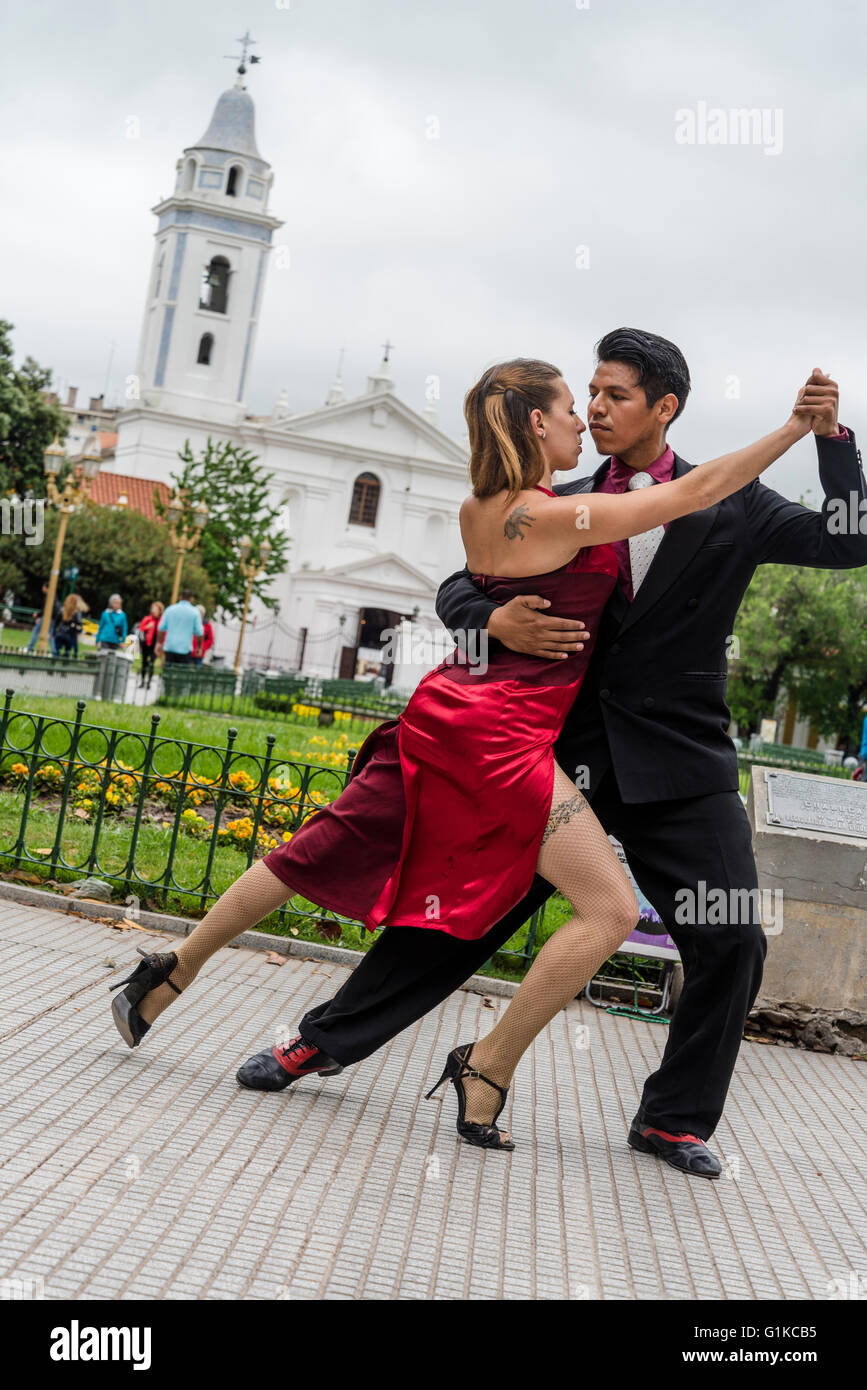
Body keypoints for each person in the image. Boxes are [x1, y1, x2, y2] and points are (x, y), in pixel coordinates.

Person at [108, 353, 832, 1164]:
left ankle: (671, 1120)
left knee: (729, 936)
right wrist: (494, 622)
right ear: (540, 420)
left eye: (610, 395)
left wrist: (829, 441)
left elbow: (840, 534)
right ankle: (383, 1050)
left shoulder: (700, 503)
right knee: (502, 919)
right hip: (540, 745)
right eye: (580, 397)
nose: (590, 409)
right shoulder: (564, 504)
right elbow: (461, 589)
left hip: (648, 755)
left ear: (663, 407)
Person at [157, 589, 203, 665]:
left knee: (168, 674)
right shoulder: (195, 612)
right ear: (191, 599)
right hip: (185, 650)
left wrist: (158, 643)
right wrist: (199, 647)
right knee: (181, 675)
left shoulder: (170, 609)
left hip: (170, 647)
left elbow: (161, 628)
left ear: (180, 597)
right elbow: (199, 632)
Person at [26, 583, 61, 654]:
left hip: (47, 618)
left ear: (47, 588)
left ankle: (30, 647)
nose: (42, 589)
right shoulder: (54, 596)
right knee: (50, 635)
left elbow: (46, 609)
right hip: (52, 618)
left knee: (36, 630)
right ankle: (54, 651)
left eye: (43, 587)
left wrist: (38, 615)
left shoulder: (49, 597)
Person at [136, 601, 164, 688]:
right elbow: (139, 630)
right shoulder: (147, 619)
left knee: (152, 663)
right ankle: (143, 681)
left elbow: (164, 633)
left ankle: (149, 682)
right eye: (153, 608)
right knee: (144, 663)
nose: (153, 610)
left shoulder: (162, 621)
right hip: (146, 644)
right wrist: (147, 627)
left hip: (155, 646)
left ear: (159, 610)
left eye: (155, 608)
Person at [53, 594, 86, 658]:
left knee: (56, 650)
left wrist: (54, 632)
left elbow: (56, 622)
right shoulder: (76, 612)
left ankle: (53, 663)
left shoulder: (62, 609)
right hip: (70, 635)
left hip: (60, 632)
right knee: (67, 652)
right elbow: (79, 624)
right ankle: (65, 664)